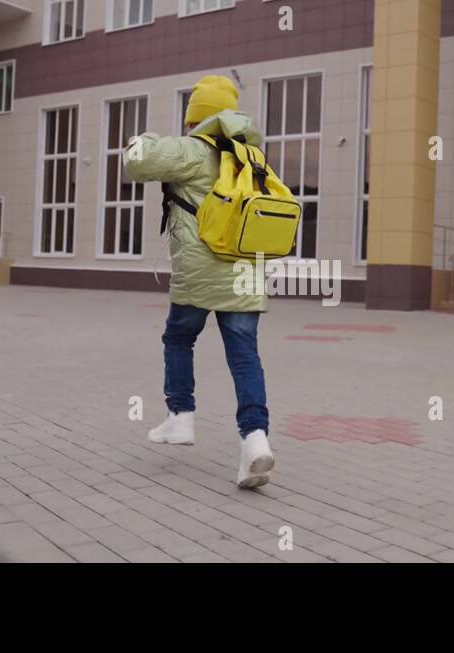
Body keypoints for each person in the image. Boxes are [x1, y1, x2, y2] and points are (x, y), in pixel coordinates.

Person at [123, 75, 274, 490]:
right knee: (245, 357)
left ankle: (181, 417)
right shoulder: (252, 155)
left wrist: (150, 135)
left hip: (201, 268)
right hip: (246, 271)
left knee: (178, 337)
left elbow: (135, 161)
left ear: (196, 118)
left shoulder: (190, 149)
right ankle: (255, 440)